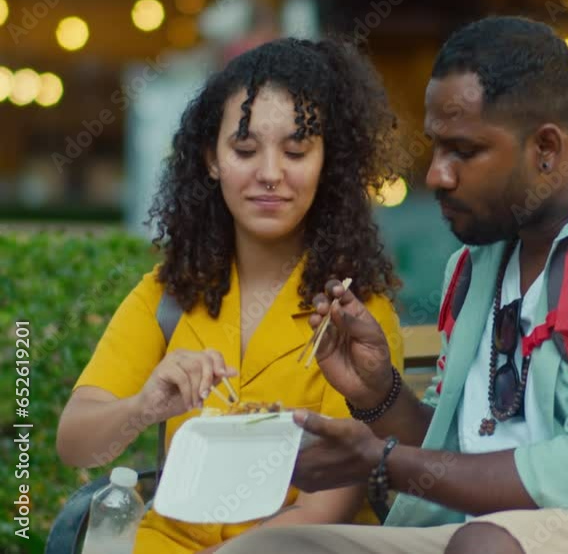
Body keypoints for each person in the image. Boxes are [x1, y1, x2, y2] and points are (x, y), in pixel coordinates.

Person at [219, 17, 568, 554]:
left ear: (545, 148)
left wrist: (381, 461)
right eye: (436, 146)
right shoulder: (480, 262)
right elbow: (463, 455)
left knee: (487, 545)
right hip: (497, 537)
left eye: (463, 151)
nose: (437, 174)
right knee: (272, 547)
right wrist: (379, 395)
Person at [56, 37, 405, 554]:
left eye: (295, 151)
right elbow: (75, 443)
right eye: (244, 150)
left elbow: (323, 504)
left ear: (327, 162)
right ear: (212, 159)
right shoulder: (167, 295)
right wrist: (144, 406)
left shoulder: (354, 314)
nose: (270, 174)